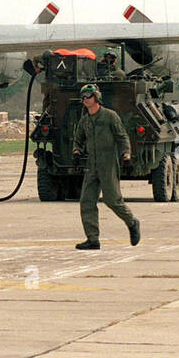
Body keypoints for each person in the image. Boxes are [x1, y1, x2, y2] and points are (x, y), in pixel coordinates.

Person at [72, 83, 140, 249]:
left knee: (112, 200)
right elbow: (78, 138)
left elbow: (122, 136)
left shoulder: (110, 116)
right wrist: (76, 151)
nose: (85, 99)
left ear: (96, 97)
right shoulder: (85, 120)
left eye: (88, 96)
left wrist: (126, 154)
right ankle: (93, 239)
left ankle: (132, 223)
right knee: (87, 201)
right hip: (92, 164)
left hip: (108, 162)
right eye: (83, 97)